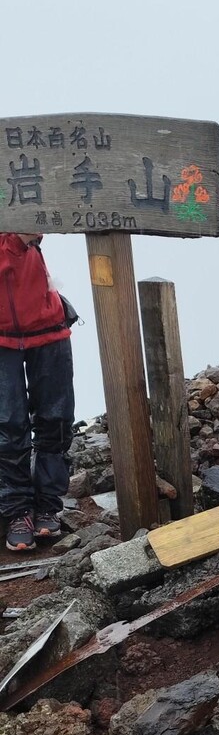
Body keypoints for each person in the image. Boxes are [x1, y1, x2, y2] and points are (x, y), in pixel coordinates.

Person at [0, 232, 76, 551]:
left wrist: (23, 236)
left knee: (56, 421)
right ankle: (18, 511)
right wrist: (15, 241)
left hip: (48, 324)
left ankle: (48, 504)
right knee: (8, 426)